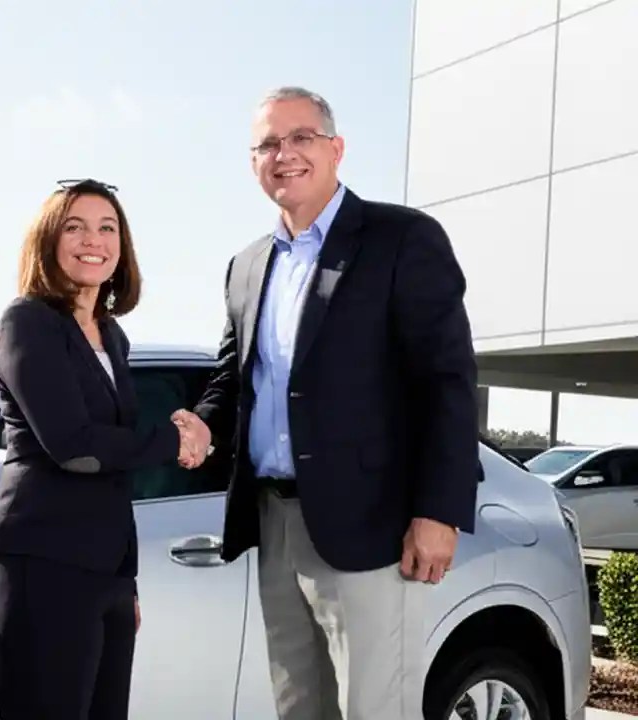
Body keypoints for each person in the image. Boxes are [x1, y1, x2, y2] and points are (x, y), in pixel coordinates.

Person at [173, 87, 480, 720]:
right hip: (274, 520)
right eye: (267, 144)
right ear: (253, 162)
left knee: (375, 708)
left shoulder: (402, 239)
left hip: (373, 527)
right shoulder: (247, 265)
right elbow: (234, 377)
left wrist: (438, 510)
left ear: (336, 149)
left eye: (300, 138)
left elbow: (446, 380)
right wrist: (203, 422)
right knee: (299, 707)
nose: (283, 154)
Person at [0, 178, 203, 719]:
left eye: (108, 228)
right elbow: (76, 448)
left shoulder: (112, 335)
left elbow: (114, 472)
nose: (93, 240)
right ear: (48, 241)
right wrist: (175, 441)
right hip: (42, 562)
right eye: (75, 226)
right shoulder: (28, 323)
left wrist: (124, 582)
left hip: (104, 572)